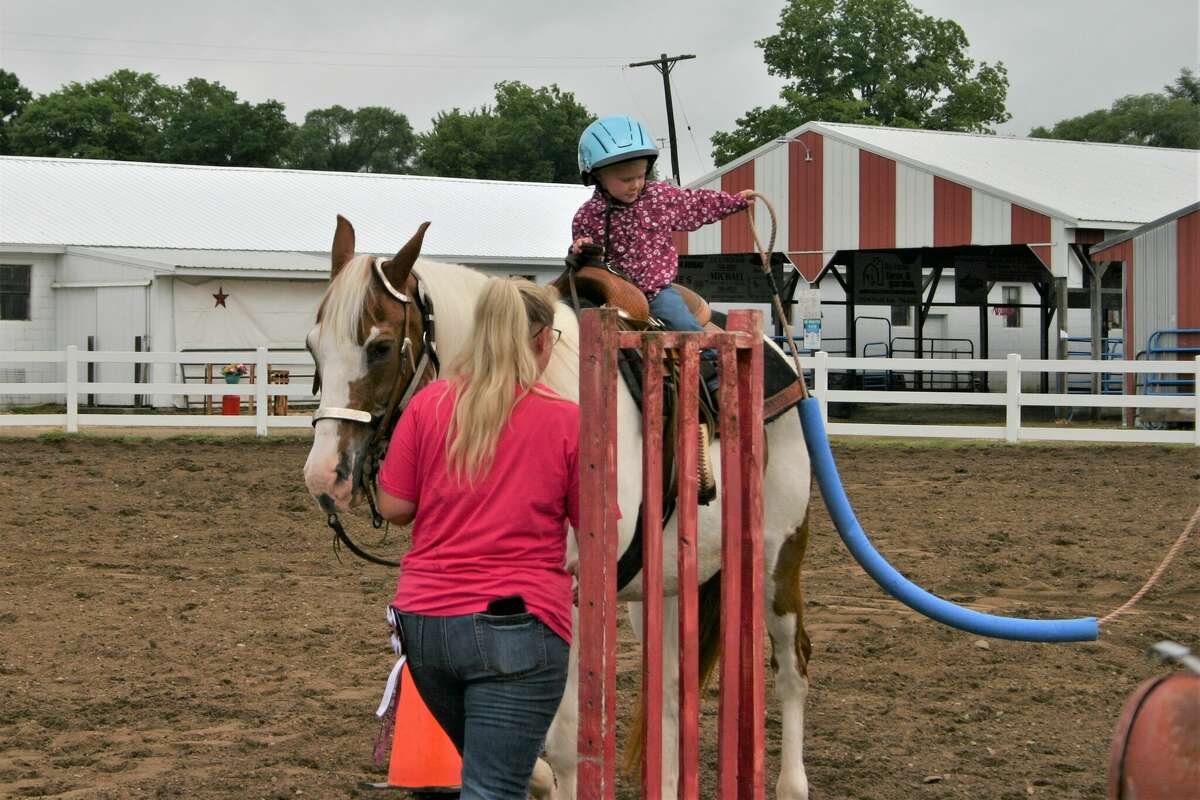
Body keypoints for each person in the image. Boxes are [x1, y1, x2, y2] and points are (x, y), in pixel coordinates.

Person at [375, 278, 578, 800]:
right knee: (492, 787)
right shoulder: (565, 419)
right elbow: (599, 525)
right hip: (518, 626)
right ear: (539, 340)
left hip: (424, 625)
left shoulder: (428, 407)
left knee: (484, 775)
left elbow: (394, 507)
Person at [570, 113, 755, 335]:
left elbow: (697, 204)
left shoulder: (660, 198)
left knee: (685, 329)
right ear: (597, 176)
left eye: (641, 176)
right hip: (606, 293)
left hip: (653, 293)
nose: (636, 184)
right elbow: (584, 262)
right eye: (626, 180)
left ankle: (708, 360)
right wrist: (581, 249)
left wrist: (735, 202)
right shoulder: (587, 216)